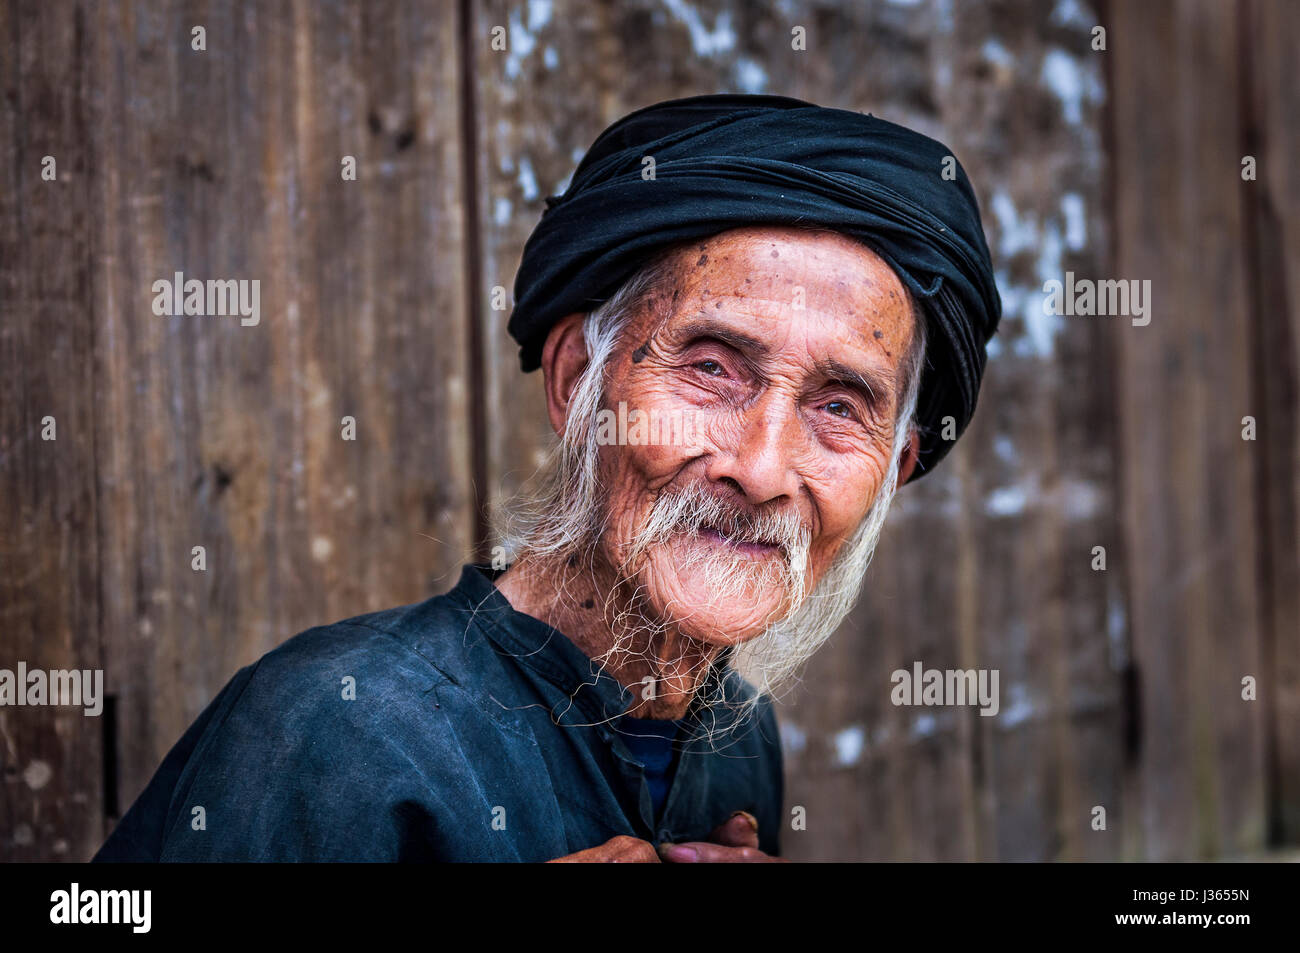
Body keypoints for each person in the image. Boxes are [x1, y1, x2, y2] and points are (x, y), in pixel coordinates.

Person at [94, 94, 999, 862]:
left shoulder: (736, 735)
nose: (761, 468)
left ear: (894, 467)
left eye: (841, 407)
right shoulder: (334, 725)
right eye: (713, 368)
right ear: (578, 381)